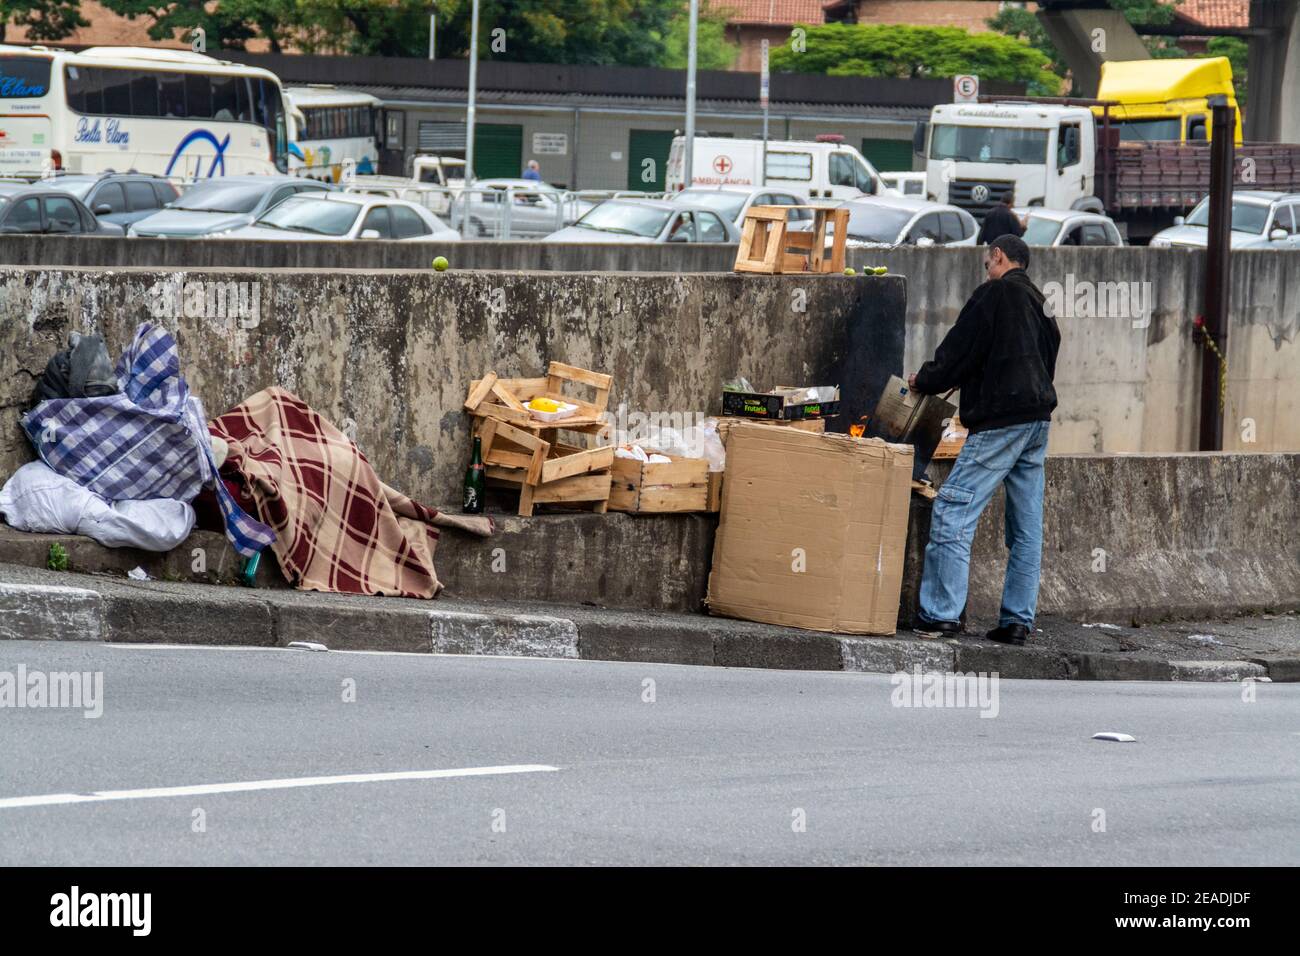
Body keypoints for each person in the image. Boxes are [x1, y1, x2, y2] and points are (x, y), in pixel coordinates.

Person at [907, 234, 1061, 646]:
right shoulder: (1041, 303)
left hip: (1001, 420)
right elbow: (1047, 356)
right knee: (1026, 528)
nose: (985, 268)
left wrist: (925, 378)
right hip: (1037, 420)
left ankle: (940, 615)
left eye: (987, 260)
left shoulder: (993, 294)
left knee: (953, 509)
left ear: (998, 256)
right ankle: (1016, 622)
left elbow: (959, 351)